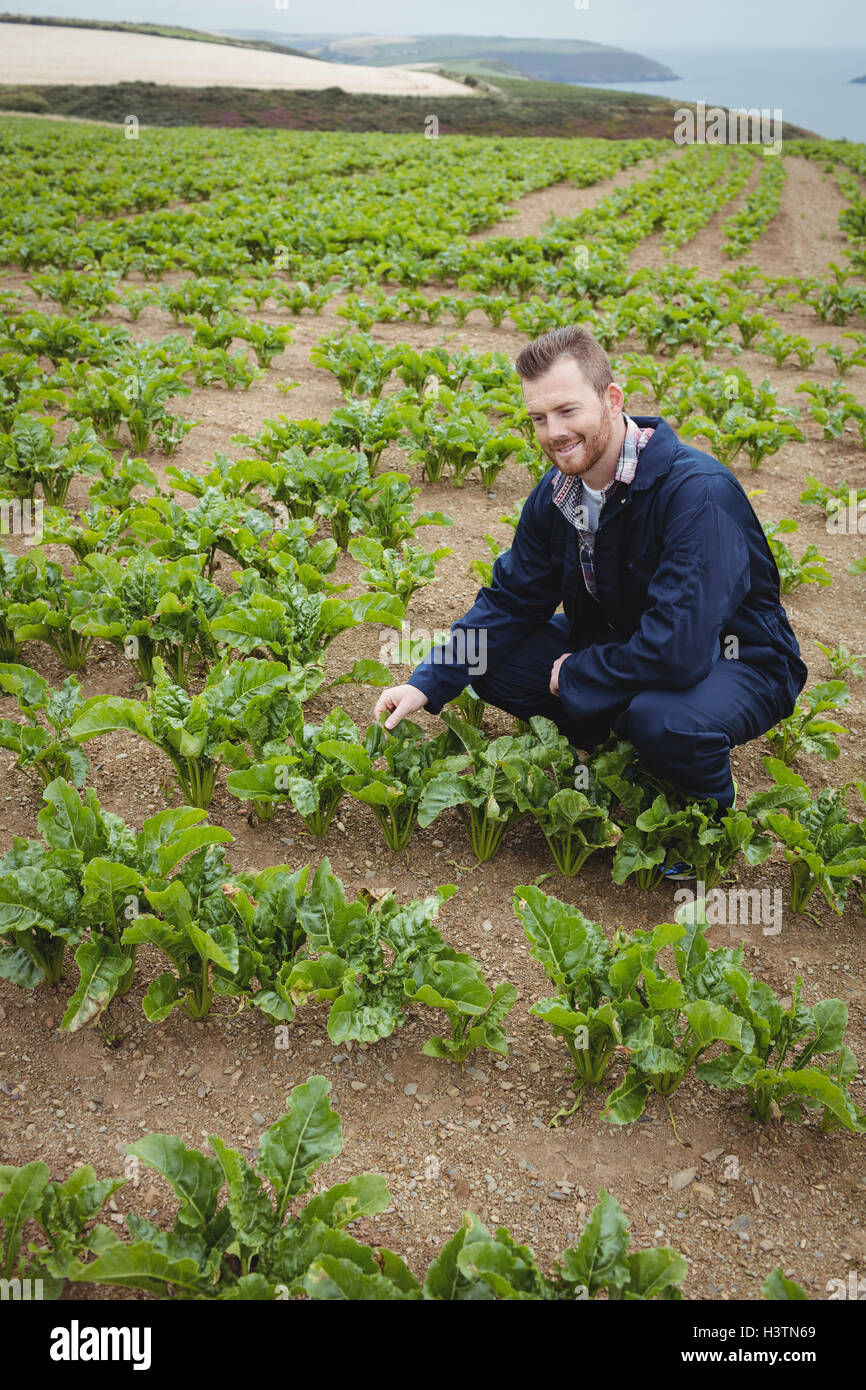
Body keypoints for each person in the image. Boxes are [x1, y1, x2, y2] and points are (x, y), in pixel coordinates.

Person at [374, 325, 807, 811]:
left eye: (567, 410)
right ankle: (625, 744)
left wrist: (581, 671)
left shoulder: (696, 493)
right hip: (630, 641)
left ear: (612, 400)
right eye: (538, 417)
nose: (553, 432)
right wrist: (428, 680)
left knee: (664, 719)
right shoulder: (558, 492)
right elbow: (513, 600)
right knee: (490, 660)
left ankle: (701, 823)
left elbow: (681, 649)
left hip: (737, 658)